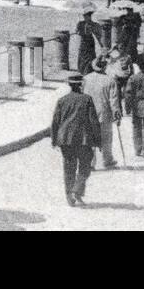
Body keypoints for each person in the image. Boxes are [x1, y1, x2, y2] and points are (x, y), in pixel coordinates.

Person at [51, 73, 101, 206]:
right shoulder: (87, 99)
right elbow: (94, 121)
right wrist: (98, 140)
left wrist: (54, 140)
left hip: (66, 139)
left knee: (68, 167)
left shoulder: (62, 100)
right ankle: (77, 191)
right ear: (80, 85)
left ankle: (70, 195)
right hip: (83, 140)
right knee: (85, 166)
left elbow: (55, 122)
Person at [82, 56, 121, 169]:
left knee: (90, 138)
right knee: (106, 138)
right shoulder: (110, 80)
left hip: (89, 112)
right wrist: (117, 115)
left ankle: (90, 163)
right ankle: (107, 160)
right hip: (104, 113)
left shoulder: (86, 79)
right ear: (104, 67)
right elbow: (113, 100)